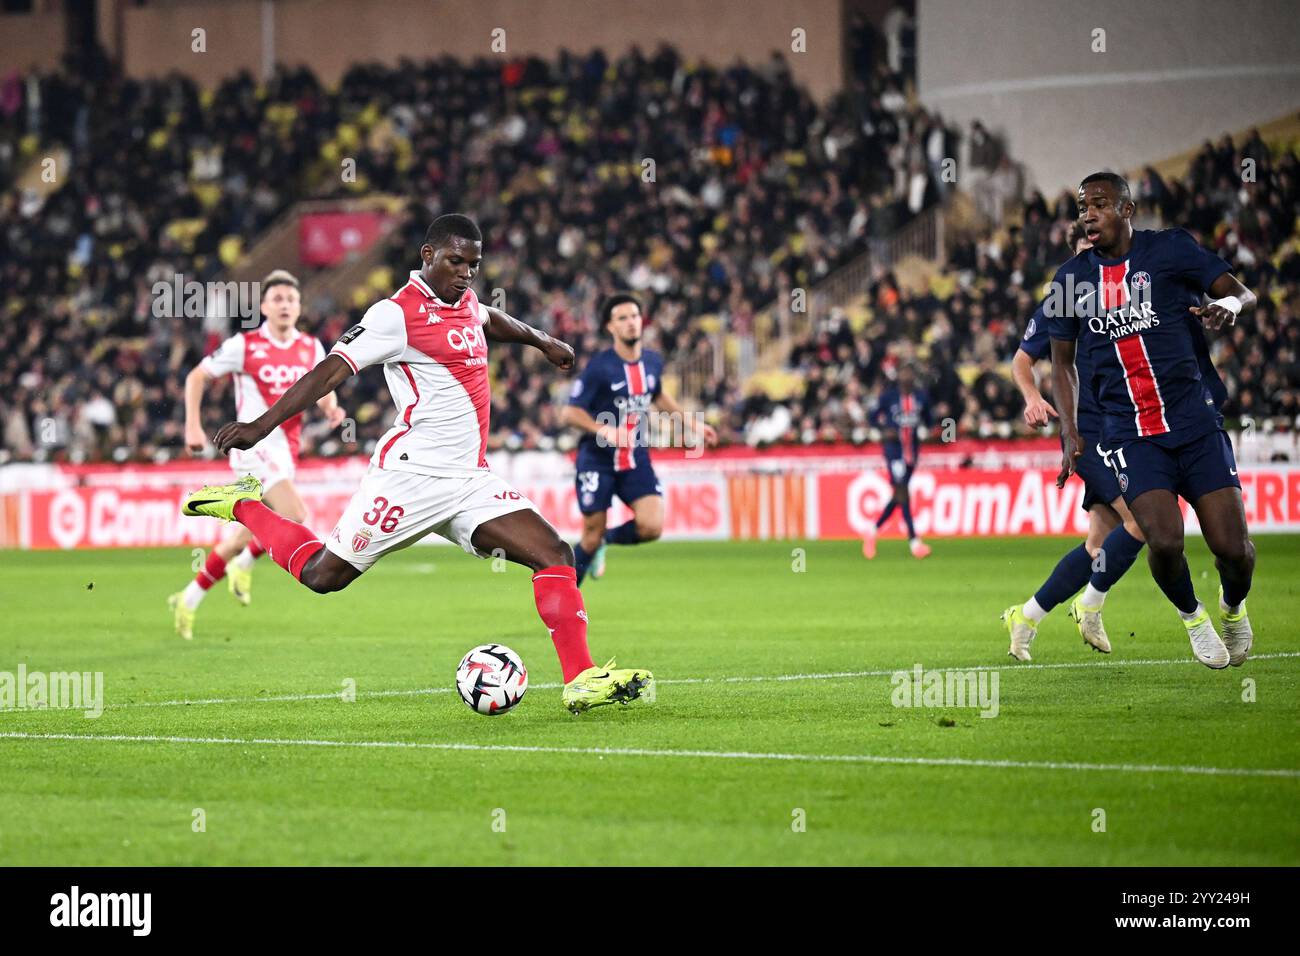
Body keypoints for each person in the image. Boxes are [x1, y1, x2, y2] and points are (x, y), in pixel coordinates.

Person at [179, 215, 654, 712]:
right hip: (410, 478)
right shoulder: (394, 315)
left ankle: (580, 678)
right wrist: (260, 425)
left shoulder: (464, 299)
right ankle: (243, 508)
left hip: (469, 480)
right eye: (456, 261)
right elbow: (328, 372)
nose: (467, 272)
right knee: (323, 576)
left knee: (555, 553)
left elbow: (489, 318)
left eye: (474, 264)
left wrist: (541, 340)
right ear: (427, 256)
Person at [1049, 173, 1256, 668]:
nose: (1088, 214)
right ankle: (1193, 617)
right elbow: (1061, 361)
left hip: (1195, 423)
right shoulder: (1070, 280)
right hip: (1131, 434)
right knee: (1162, 539)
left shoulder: (1170, 251)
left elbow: (1240, 291)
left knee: (1233, 549)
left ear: (1127, 209)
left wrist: (1227, 305)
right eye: (1082, 207)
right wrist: (1071, 431)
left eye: (1099, 204)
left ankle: (1232, 606)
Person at [168, 270, 345, 639]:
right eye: (277, 299)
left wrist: (332, 408)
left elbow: (322, 387)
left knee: (244, 536)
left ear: (299, 307)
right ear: (263, 306)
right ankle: (245, 558)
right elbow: (196, 377)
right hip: (252, 445)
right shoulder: (243, 345)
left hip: (287, 451)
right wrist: (192, 426)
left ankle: (189, 597)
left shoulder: (311, 348)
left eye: (291, 300)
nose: (284, 305)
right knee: (295, 514)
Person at [1003, 223, 1146, 660]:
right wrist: (1032, 397)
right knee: (1145, 520)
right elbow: (1022, 361)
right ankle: (1091, 605)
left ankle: (1025, 617)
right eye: (1086, 244)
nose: (1095, 249)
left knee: (1098, 546)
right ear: (1077, 252)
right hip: (1085, 433)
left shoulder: (1127, 291)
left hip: (1125, 424)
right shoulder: (1064, 296)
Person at [562, 292, 717, 584]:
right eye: (623, 318)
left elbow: (657, 394)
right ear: (611, 327)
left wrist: (692, 423)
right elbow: (569, 414)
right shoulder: (599, 368)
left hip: (635, 457)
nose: (631, 323)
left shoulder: (653, 361)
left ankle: (605, 541)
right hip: (598, 459)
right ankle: (568, 604)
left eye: (635, 316)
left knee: (652, 526)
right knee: (589, 536)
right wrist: (604, 429)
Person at [862, 363, 932, 559]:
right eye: (903, 373)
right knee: (903, 492)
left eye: (909, 373)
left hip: (911, 452)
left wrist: (937, 429)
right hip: (894, 452)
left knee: (899, 495)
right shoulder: (889, 397)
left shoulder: (921, 396)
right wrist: (884, 430)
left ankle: (872, 531)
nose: (906, 376)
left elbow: (929, 419)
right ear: (898, 376)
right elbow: (872, 416)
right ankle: (914, 542)